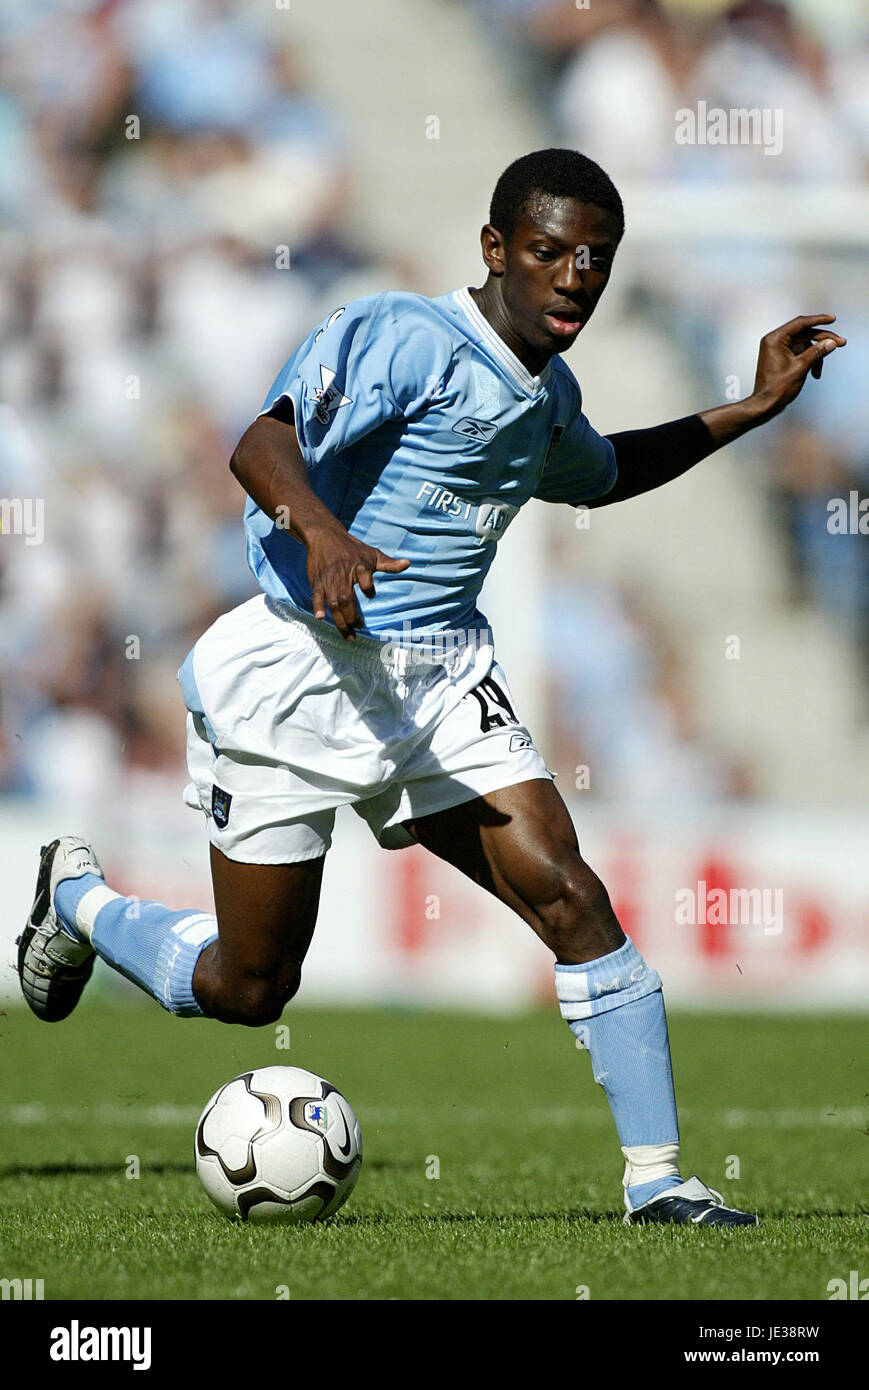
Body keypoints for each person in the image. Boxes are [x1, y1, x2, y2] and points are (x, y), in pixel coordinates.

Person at [19, 148, 845, 1226]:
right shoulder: (401, 336)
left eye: (593, 260)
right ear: (495, 248)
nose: (571, 279)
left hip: (438, 680)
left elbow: (603, 475)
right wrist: (321, 532)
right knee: (249, 989)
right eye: (547, 252)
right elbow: (260, 442)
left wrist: (747, 407)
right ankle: (77, 900)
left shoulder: (547, 395)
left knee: (571, 893)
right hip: (299, 671)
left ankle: (658, 1182)